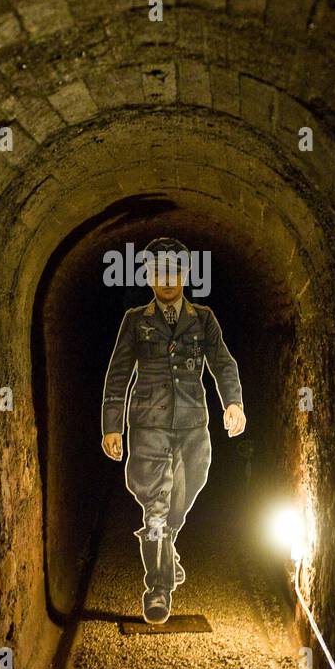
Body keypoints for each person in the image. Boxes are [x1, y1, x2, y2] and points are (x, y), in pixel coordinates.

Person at [100, 237, 246, 624]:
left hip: (193, 426)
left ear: (185, 274)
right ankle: (158, 589)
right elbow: (117, 376)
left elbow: (223, 363)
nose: (166, 280)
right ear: (148, 275)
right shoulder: (136, 320)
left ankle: (169, 548)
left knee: (185, 495)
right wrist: (111, 426)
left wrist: (233, 403)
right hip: (149, 426)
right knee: (157, 511)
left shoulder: (203, 319)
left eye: (174, 271)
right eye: (158, 272)